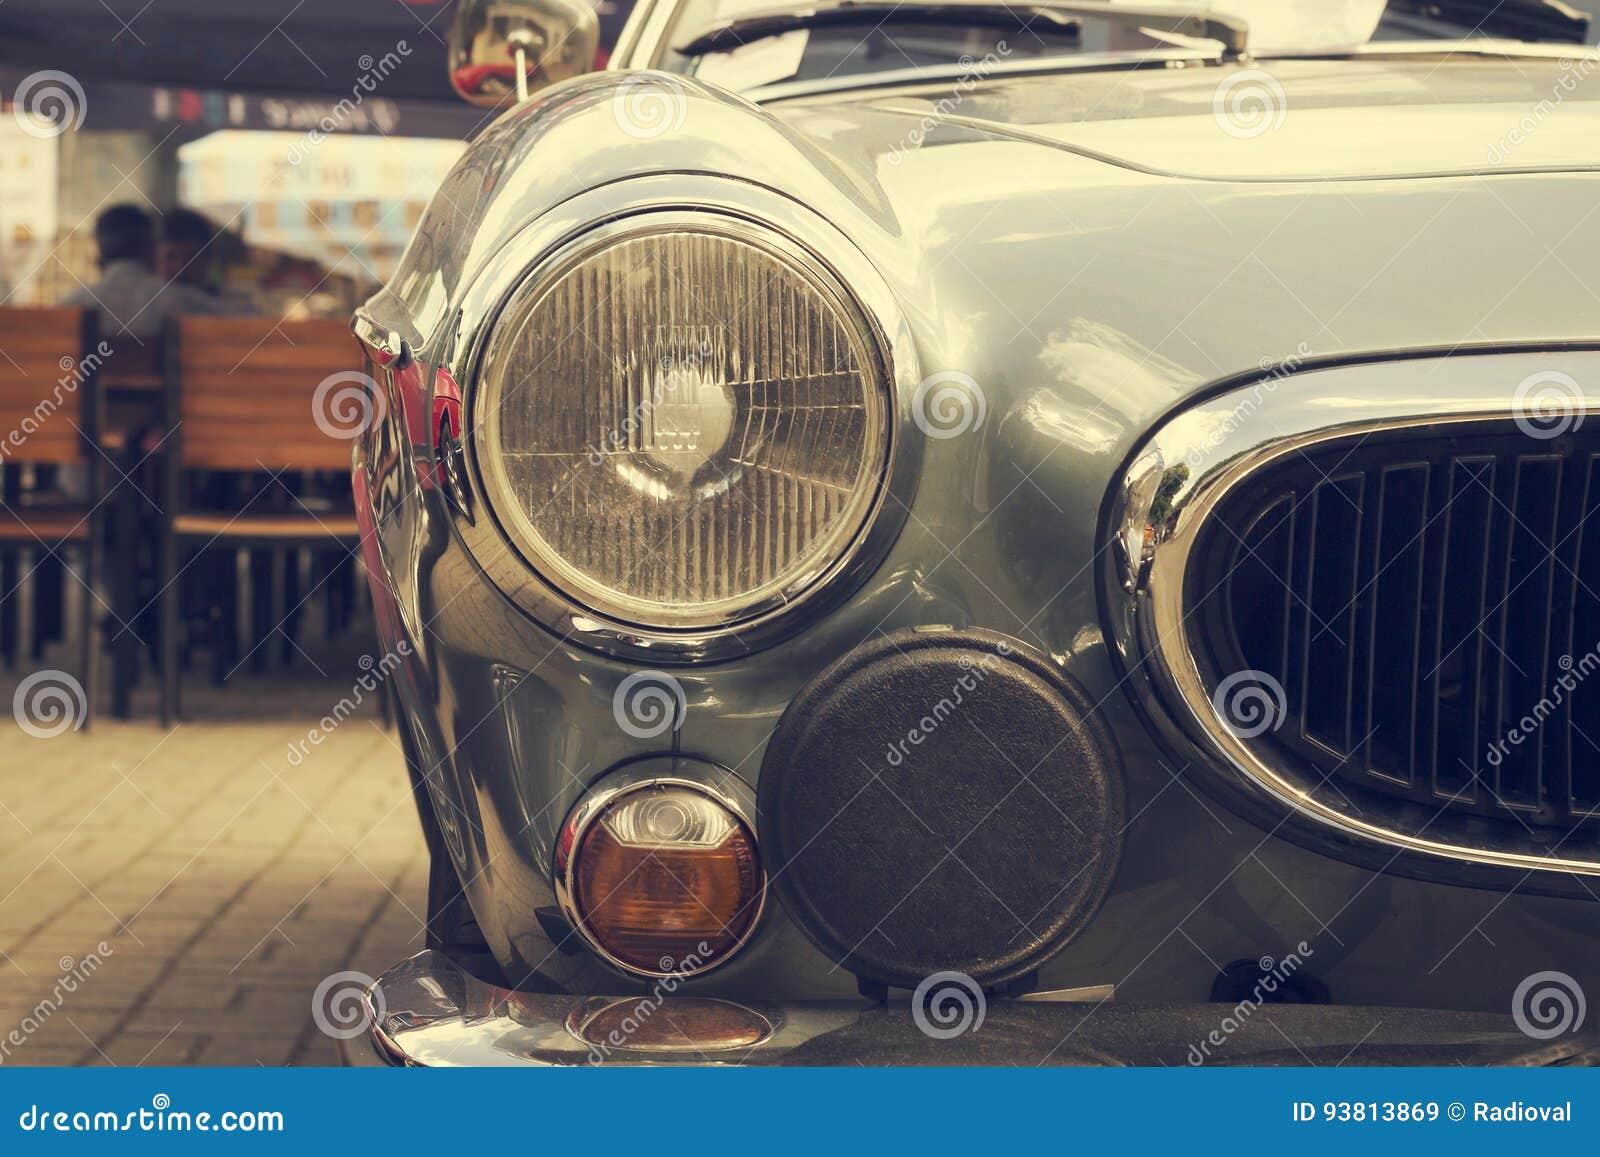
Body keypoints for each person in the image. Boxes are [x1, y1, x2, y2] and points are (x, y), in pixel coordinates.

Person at [65, 203, 223, 339]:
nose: (180, 267)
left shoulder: (69, 306)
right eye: (171, 256)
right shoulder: (190, 304)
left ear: (98, 259)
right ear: (152, 251)